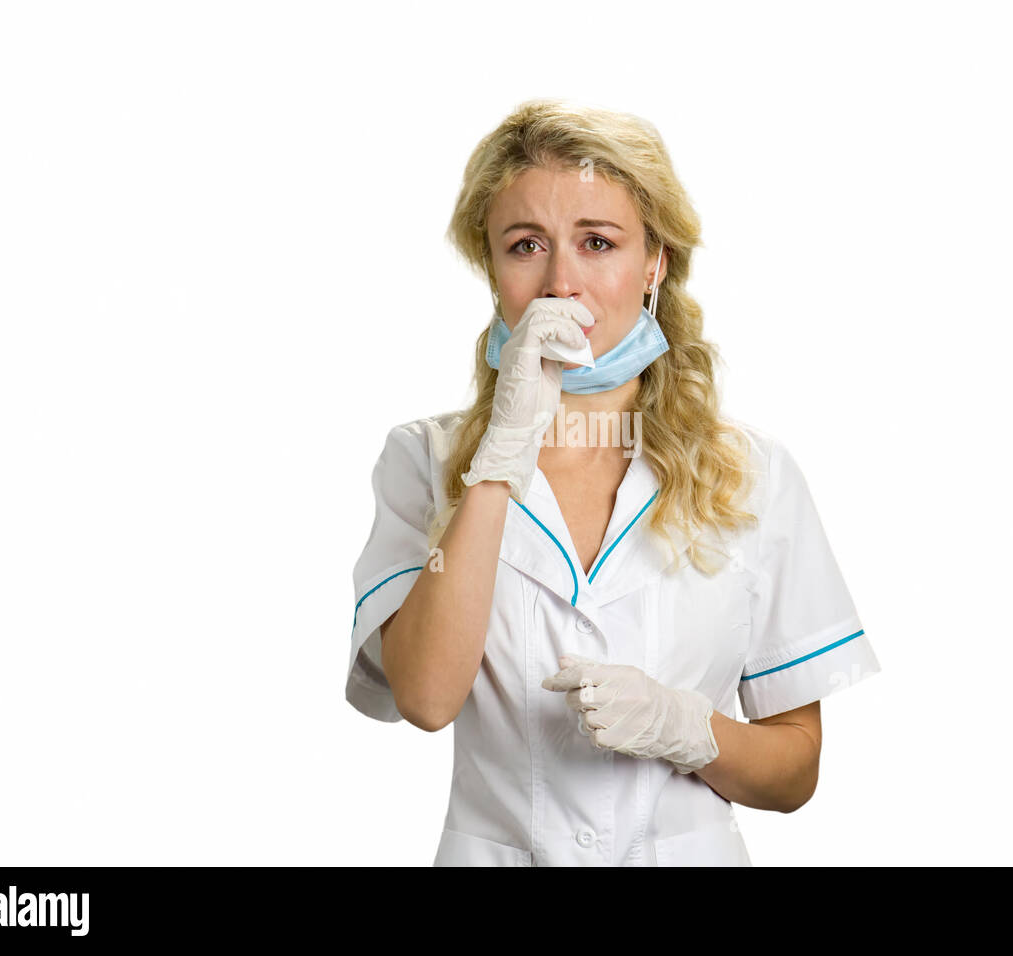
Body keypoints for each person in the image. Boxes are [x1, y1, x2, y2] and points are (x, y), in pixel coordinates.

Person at [345, 99, 881, 866]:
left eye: (598, 242)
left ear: (654, 261)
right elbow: (426, 700)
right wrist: (502, 452)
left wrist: (689, 730)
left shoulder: (752, 476)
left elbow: (795, 770)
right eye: (526, 244)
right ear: (493, 269)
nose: (563, 283)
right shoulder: (425, 461)